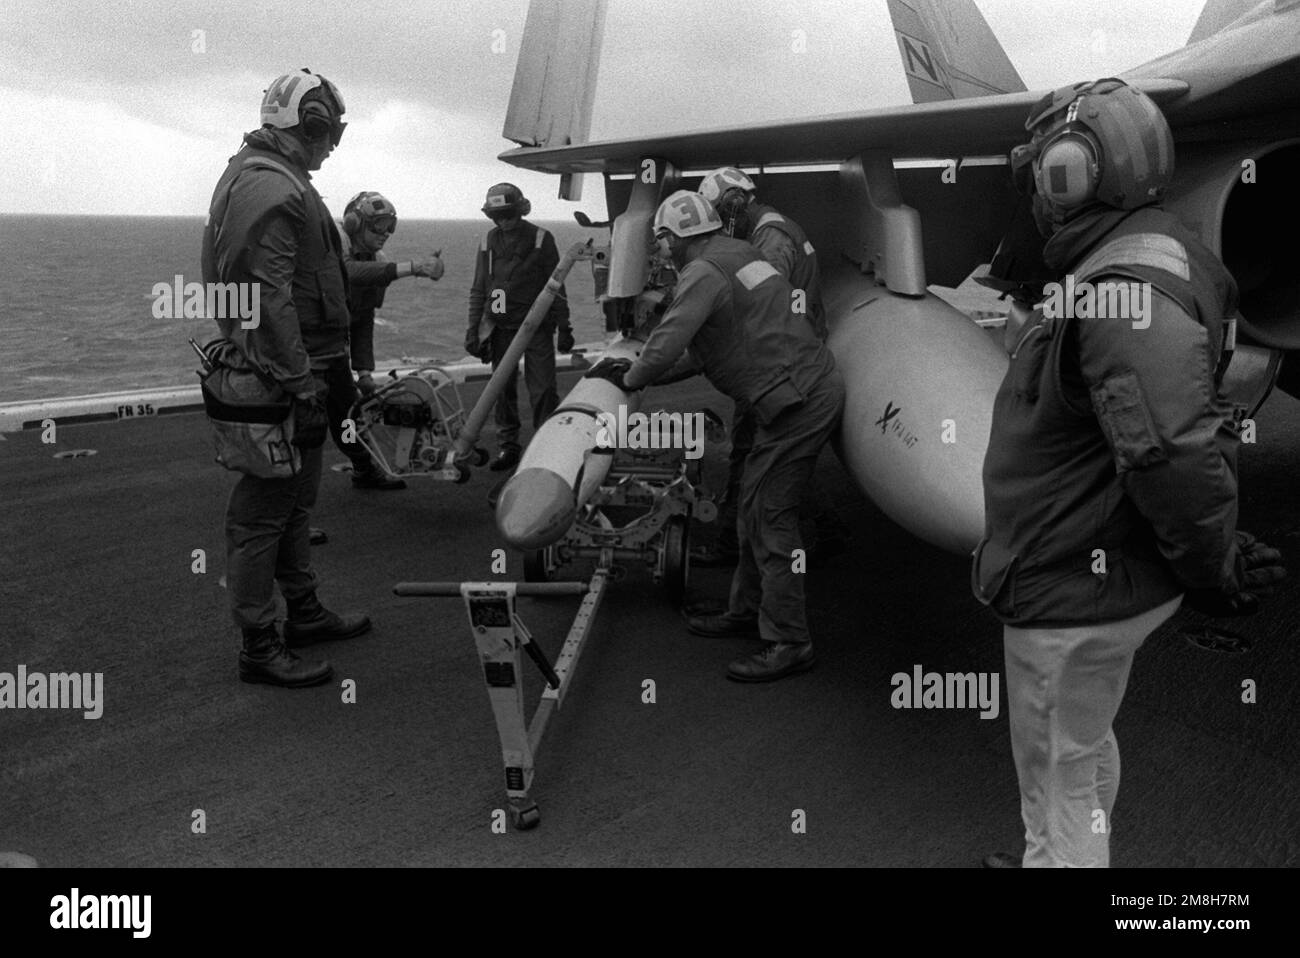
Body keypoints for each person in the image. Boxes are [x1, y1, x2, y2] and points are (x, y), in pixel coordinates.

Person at [973, 78, 1286, 866]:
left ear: (1074, 173)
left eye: (1048, 172)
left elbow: (1170, 449)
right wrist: (1208, 552)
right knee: (1080, 756)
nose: (1041, 193)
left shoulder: (1121, 292)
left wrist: (1211, 563)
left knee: (1056, 793)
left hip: (1070, 594)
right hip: (1096, 576)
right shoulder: (1147, 254)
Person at [586, 190, 845, 683]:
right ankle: (745, 611)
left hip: (798, 399)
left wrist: (632, 376)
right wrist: (647, 375)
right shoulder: (737, 254)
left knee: (771, 518)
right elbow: (706, 353)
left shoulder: (702, 273)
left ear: (672, 237)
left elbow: (667, 343)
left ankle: (790, 640)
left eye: (661, 241)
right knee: (753, 507)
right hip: (796, 390)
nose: (660, 250)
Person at [201, 68, 371, 689]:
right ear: (312, 125)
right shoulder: (269, 186)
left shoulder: (276, 177)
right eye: (331, 131)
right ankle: (258, 646)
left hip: (304, 369)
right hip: (282, 377)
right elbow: (265, 297)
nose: (334, 145)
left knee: (295, 507)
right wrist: (300, 382)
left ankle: (302, 613)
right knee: (262, 516)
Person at [691, 167, 844, 568]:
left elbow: (762, 301)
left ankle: (733, 545)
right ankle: (825, 527)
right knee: (780, 452)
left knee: (751, 450)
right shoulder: (769, 227)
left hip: (780, 360)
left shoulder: (770, 237)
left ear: (734, 203)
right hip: (792, 352)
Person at [336, 189, 444, 490]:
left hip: (331, 345)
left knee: (345, 413)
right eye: (378, 227)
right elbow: (348, 273)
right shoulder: (334, 247)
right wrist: (414, 268)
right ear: (354, 224)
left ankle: (362, 468)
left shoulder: (378, 262)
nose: (385, 234)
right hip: (306, 341)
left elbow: (362, 321)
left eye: (389, 227)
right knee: (318, 417)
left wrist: (365, 372)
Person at [465, 183, 575, 472]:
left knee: (543, 390)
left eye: (508, 215)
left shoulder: (541, 238)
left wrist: (565, 326)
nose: (504, 222)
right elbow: (480, 288)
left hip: (536, 327)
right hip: (500, 328)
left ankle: (545, 447)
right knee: (502, 390)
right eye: (498, 217)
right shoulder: (488, 241)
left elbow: (557, 284)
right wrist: (473, 330)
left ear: (520, 211)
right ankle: (509, 446)